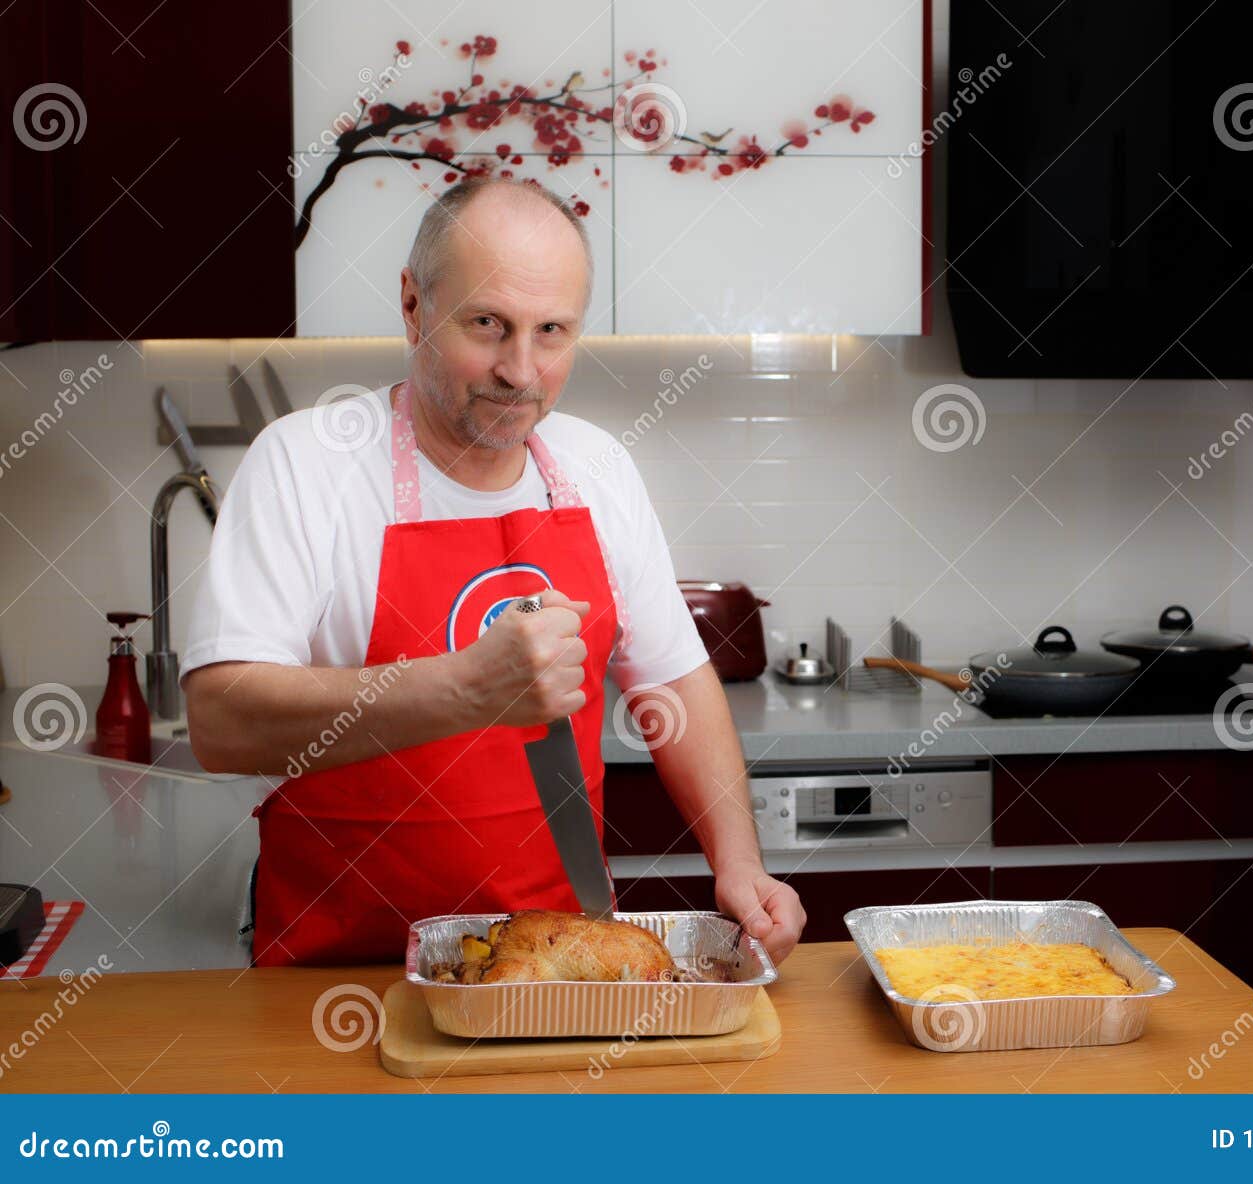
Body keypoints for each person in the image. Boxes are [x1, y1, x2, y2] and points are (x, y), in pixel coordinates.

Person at [181, 178, 804, 966]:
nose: (521, 369)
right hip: (338, 972)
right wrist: (465, 690)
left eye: (552, 331)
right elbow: (220, 721)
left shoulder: (597, 468)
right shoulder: (307, 463)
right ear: (413, 304)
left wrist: (738, 860)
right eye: (487, 324)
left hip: (554, 967)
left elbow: (675, 683)